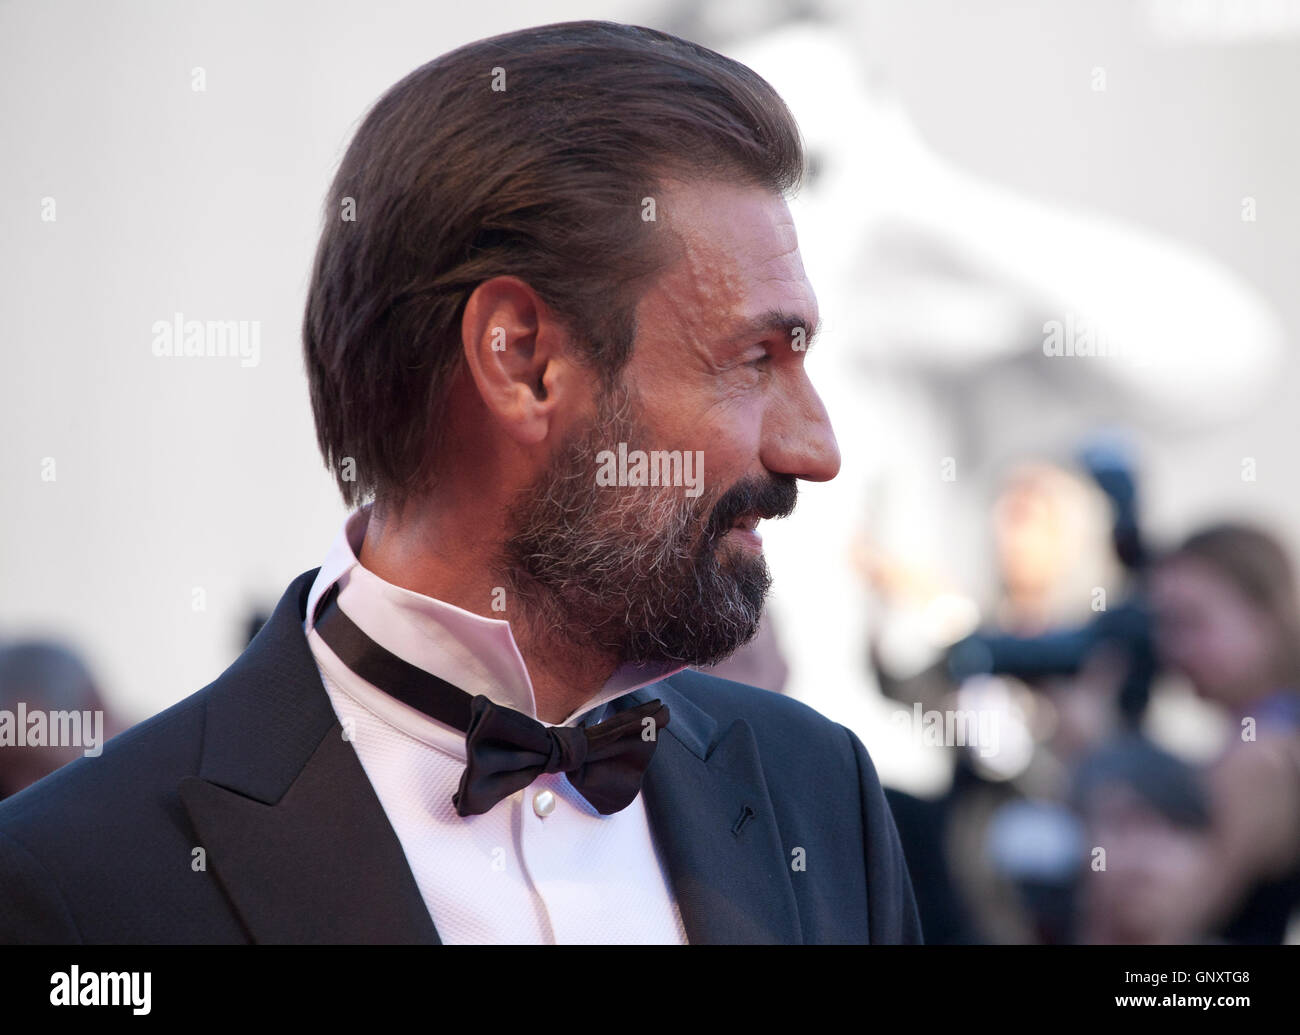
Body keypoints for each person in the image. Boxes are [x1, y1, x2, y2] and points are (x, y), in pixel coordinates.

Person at [0, 20, 921, 945]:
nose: (816, 448)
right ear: (518, 359)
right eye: (754, 358)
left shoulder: (817, 793)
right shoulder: (75, 885)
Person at [1147, 522, 1300, 943]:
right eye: (1164, 625)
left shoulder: (1257, 759)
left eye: (1191, 623)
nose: (1171, 648)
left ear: (1265, 618)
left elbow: (1164, 926)